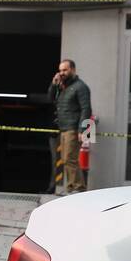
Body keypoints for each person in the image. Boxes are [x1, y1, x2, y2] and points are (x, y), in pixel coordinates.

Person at [48, 59, 92, 194]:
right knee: (66, 159)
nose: (62, 73)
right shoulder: (62, 86)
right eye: (60, 70)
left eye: (65, 70)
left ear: (73, 70)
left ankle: (78, 188)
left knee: (69, 159)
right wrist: (54, 84)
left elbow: (86, 109)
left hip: (73, 128)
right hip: (63, 128)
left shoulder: (80, 87)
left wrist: (82, 130)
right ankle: (71, 187)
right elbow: (51, 99)